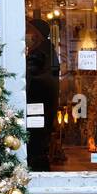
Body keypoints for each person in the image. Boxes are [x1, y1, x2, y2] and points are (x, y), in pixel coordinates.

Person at [25, 18, 59, 172]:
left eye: (29, 31)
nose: (26, 35)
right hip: (45, 102)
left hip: (37, 103)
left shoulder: (40, 52)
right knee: (40, 141)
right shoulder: (48, 49)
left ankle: (38, 174)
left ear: (36, 34)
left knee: (36, 143)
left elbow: (30, 76)